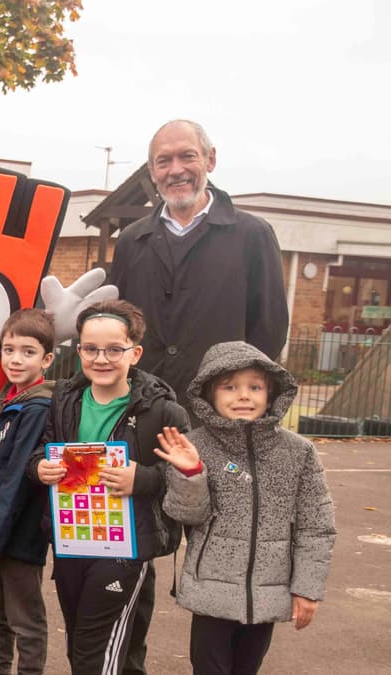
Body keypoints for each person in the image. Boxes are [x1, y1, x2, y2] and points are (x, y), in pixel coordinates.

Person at [106, 119, 289, 674]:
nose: (176, 169)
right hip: (148, 418)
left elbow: (268, 330)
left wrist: (241, 403)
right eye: (163, 161)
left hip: (224, 424)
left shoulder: (253, 235)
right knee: (132, 552)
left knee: (227, 558)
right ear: (151, 171)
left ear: (211, 158)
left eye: (186, 156)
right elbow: (121, 327)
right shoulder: (134, 239)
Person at [27, 299, 188, 675]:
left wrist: (143, 478)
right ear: (79, 348)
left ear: (135, 353)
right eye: (91, 348)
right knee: (89, 644)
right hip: (73, 538)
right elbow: (40, 449)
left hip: (126, 547)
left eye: (114, 349)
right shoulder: (65, 398)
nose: (102, 358)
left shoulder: (161, 409)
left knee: (94, 652)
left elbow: (187, 477)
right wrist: (40, 468)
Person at [157, 341, 336, 675]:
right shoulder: (193, 446)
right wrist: (191, 473)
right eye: (230, 387)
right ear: (209, 394)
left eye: (255, 387)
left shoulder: (299, 452)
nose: (243, 396)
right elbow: (187, 515)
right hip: (211, 590)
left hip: (268, 592)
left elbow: (317, 526)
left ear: (270, 394)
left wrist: (307, 588)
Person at [0, 308, 55, 675]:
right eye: (9, 349)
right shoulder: (11, 399)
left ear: (47, 359)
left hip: (17, 537)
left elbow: (17, 478)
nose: (16, 359)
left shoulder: (37, 406)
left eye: (28, 351)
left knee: (25, 621)